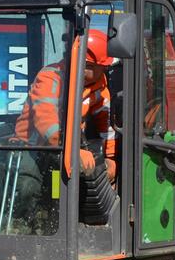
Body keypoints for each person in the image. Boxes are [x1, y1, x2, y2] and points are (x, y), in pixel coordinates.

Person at [14, 30, 119, 222]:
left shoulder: (98, 84)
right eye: (100, 67)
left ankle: (58, 218)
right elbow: (46, 122)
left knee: (66, 190)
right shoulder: (51, 79)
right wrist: (72, 150)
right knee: (28, 190)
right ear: (84, 64)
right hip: (31, 148)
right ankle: (23, 225)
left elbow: (106, 124)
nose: (105, 72)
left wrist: (110, 157)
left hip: (65, 146)